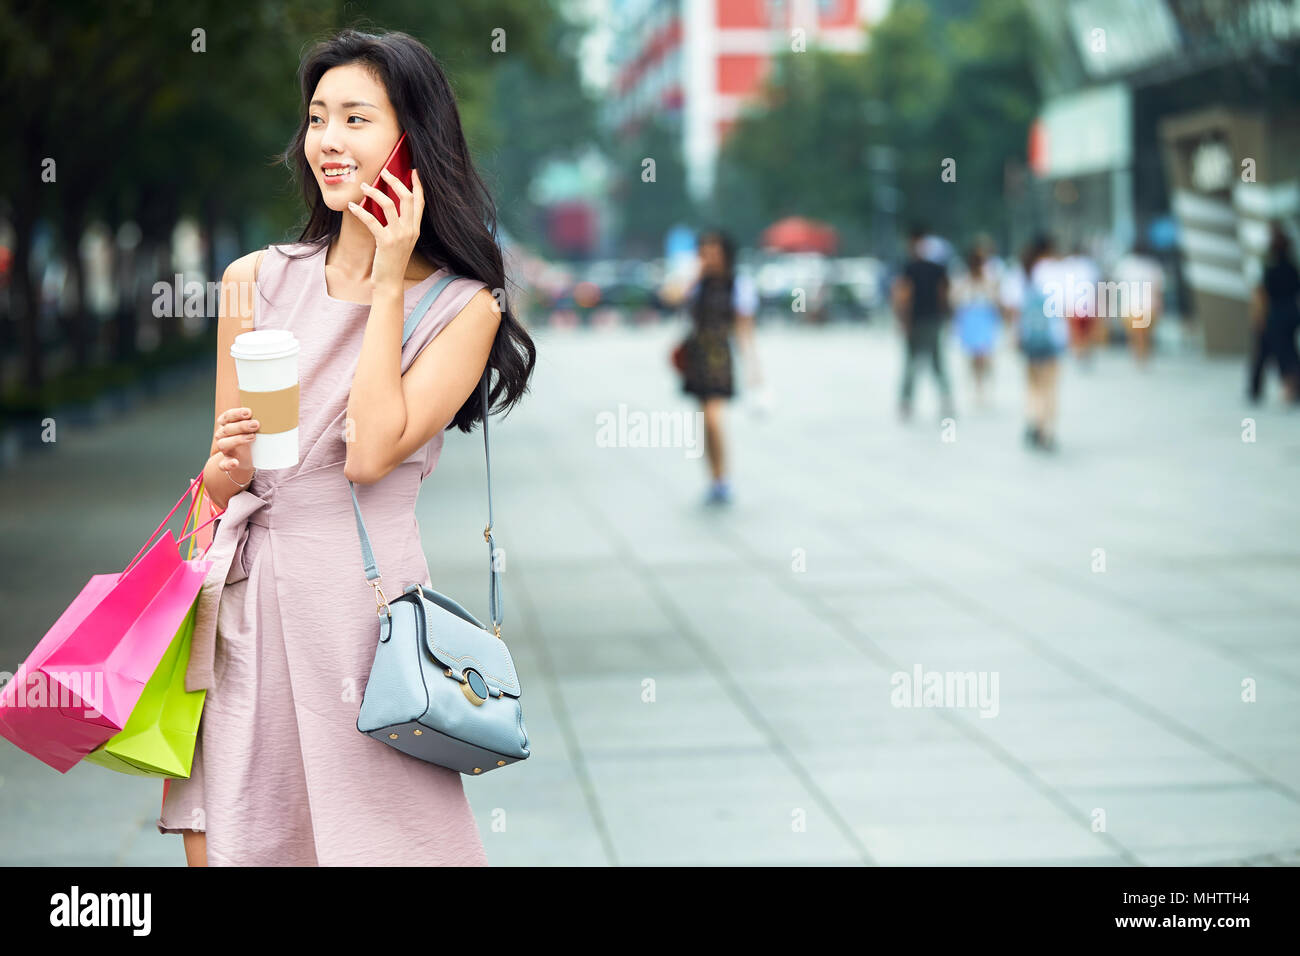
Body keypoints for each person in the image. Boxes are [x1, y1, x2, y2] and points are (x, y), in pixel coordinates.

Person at [156, 28, 536, 866]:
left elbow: (369, 455)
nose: (327, 140)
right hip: (250, 601)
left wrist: (392, 275)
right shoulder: (254, 280)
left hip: (368, 621)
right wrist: (222, 472)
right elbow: (228, 475)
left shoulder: (466, 307)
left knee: (382, 844)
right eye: (317, 117)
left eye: (356, 118)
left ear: (412, 138)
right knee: (238, 839)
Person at [671, 229, 759, 505]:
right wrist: (694, 274)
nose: (708, 257)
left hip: (720, 357)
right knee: (703, 421)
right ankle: (714, 477)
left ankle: (722, 477)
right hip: (696, 356)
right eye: (703, 251)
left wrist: (754, 367)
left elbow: (744, 329)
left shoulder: (738, 285)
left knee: (712, 416)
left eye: (713, 251)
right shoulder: (696, 282)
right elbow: (670, 297)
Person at [892, 225, 954, 420]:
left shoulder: (908, 267)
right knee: (937, 363)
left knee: (912, 363)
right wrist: (947, 316)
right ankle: (945, 400)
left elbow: (903, 296)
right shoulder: (938, 268)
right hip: (933, 320)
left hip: (917, 321)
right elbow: (944, 294)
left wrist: (903, 321)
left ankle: (906, 402)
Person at [1017, 234, 1068, 451]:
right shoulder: (1058, 272)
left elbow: (1014, 307)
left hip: (1029, 336)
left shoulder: (1023, 271)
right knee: (1050, 386)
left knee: (1033, 384)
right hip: (1053, 336)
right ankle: (1047, 431)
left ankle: (1034, 419)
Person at [1248, 221, 1300, 404]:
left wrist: (1258, 316)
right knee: (1288, 351)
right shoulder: (1292, 266)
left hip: (1275, 314)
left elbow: (1261, 294)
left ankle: (1266, 390)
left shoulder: (1268, 267)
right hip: (1291, 313)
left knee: (1268, 352)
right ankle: (1292, 388)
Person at [950, 238, 1001, 407]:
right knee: (973, 356)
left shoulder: (991, 277)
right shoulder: (962, 277)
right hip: (969, 317)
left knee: (984, 355)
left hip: (984, 317)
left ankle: (984, 386)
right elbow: (955, 298)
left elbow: (996, 299)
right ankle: (977, 388)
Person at [1111, 240, 1164, 367]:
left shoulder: (1125, 264)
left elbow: (1115, 285)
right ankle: (1142, 355)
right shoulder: (1152, 265)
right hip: (1147, 306)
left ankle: (1139, 355)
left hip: (1131, 306)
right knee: (1144, 333)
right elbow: (1158, 288)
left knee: (1135, 333)